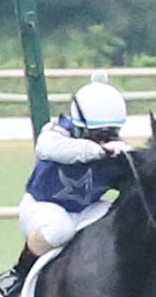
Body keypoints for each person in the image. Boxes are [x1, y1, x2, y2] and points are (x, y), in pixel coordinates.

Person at [19, 80, 130, 264]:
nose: (104, 140)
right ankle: (20, 271)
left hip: (87, 209)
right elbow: (46, 147)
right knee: (59, 230)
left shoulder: (116, 147)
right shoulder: (56, 133)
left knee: (118, 221)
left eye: (110, 133)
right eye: (98, 134)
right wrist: (97, 151)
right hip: (42, 205)